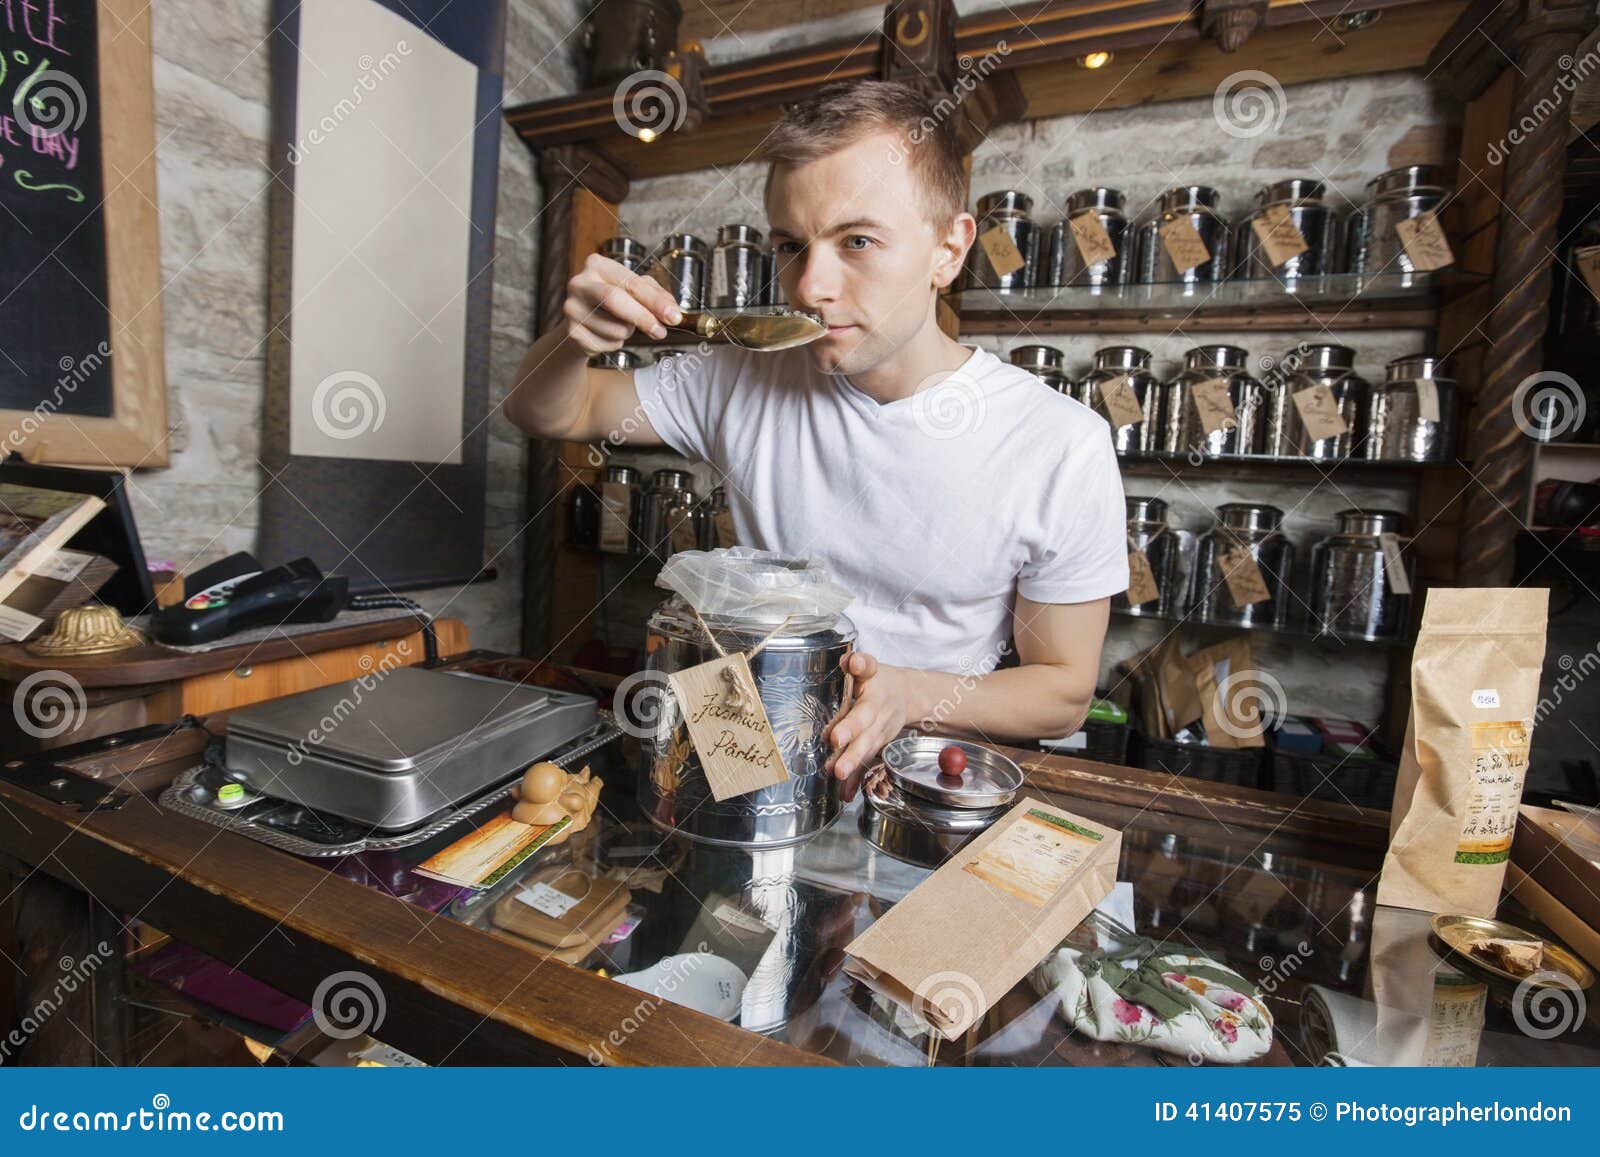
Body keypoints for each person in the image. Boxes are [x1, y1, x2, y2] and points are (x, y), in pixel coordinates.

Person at [505, 80, 1127, 796]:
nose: (809, 286)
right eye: (791, 246)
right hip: (737, 745)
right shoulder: (740, 374)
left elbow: (1064, 691)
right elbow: (549, 410)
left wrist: (910, 693)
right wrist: (571, 338)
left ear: (948, 250)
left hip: (912, 777)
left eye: (857, 240)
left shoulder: (1059, 442)